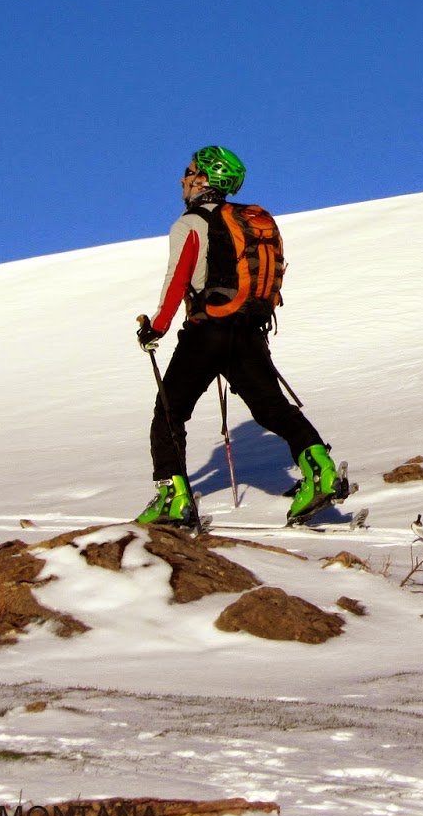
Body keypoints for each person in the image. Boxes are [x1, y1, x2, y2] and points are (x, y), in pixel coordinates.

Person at [133, 145, 340, 530]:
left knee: (169, 412)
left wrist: (155, 328)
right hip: (249, 332)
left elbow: (178, 280)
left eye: (189, 171)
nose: (182, 178)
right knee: (272, 408)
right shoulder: (247, 220)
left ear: (203, 180)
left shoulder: (191, 223)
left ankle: (173, 501)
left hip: (207, 332)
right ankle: (321, 472)